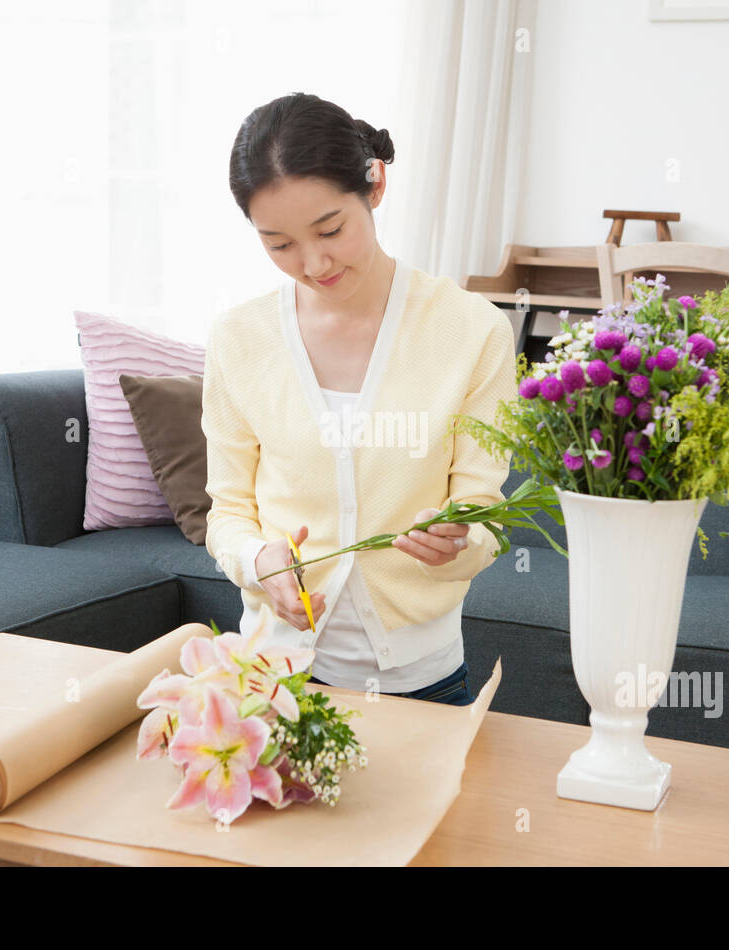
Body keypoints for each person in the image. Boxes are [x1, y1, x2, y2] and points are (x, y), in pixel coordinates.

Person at [202, 91, 516, 706]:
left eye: (330, 230)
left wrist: (456, 542)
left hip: (420, 680)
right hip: (271, 677)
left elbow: (484, 513)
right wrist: (259, 558)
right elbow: (227, 512)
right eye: (279, 244)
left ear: (374, 185)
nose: (313, 262)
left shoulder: (472, 329)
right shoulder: (238, 338)